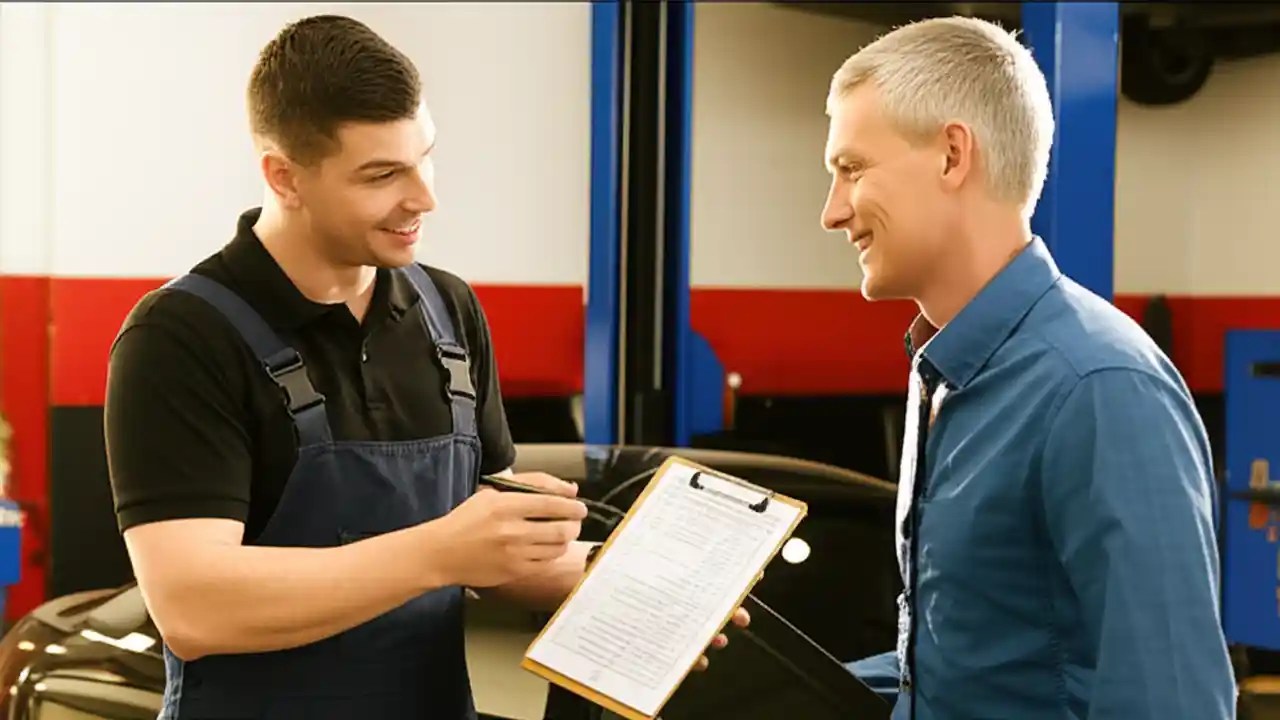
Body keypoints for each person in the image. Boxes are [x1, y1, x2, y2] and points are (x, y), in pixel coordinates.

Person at [104, 15, 744, 720]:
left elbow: (491, 563)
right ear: (284, 177)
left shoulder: (449, 311)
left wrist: (634, 590)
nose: (424, 198)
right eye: (381, 175)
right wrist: (440, 552)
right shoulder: (181, 336)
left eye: (425, 158)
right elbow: (196, 609)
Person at [820, 16, 1237, 720]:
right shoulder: (948, 375)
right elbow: (965, 671)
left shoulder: (1098, 388)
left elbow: (1173, 701)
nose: (833, 212)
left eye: (851, 169)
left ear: (952, 155)